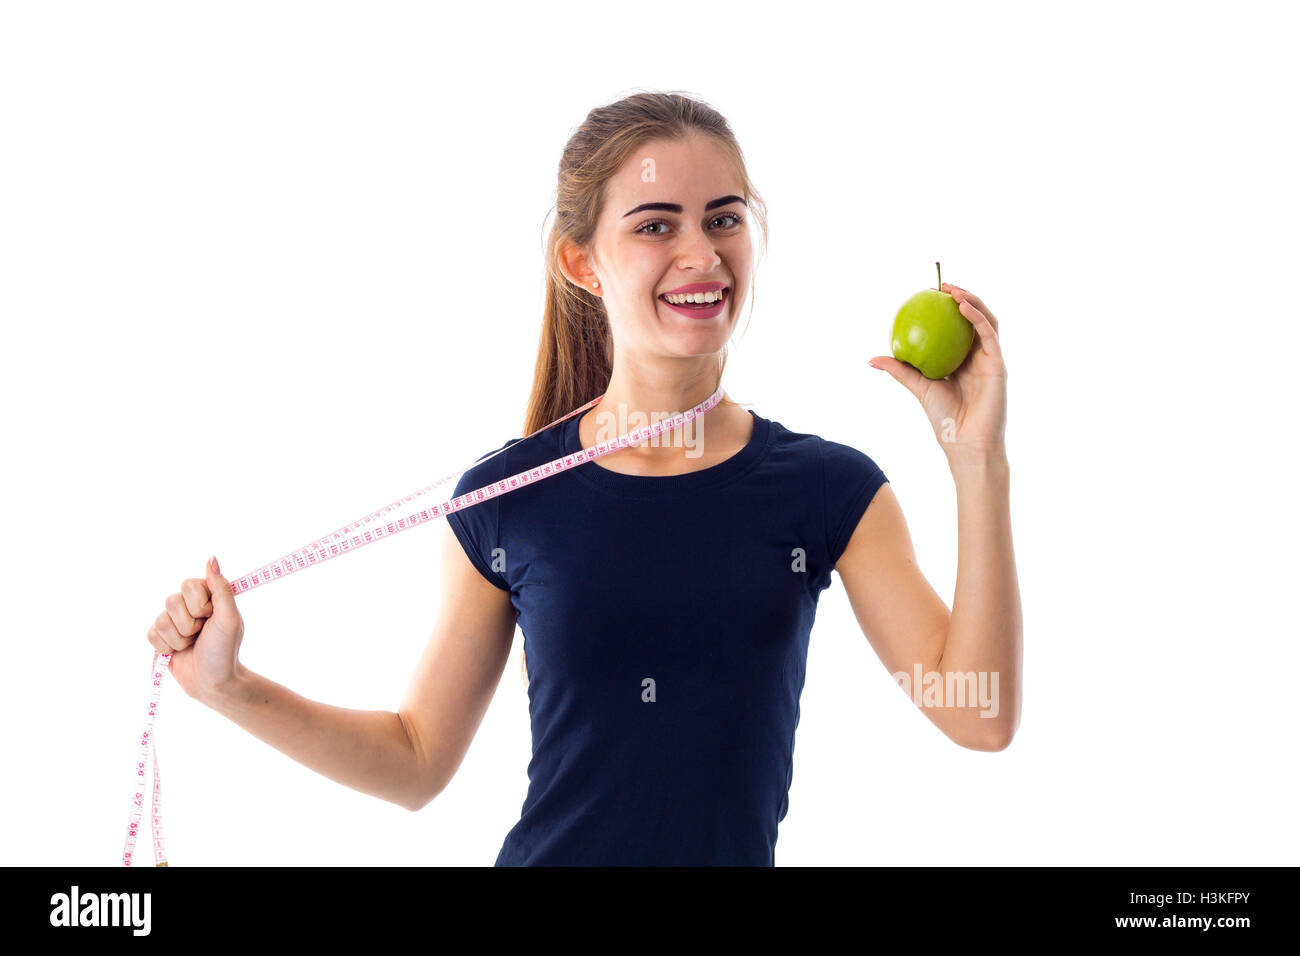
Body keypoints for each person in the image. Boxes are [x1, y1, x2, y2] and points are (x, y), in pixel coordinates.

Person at [146, 90, 1022, 866]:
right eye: (654, 225)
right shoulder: (508, 499)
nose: (703, 254)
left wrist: (977, 461)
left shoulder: (829, 490)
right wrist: (230, 687)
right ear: (583, 262)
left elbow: (977, 716)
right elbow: (415, 761)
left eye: (723, 218)